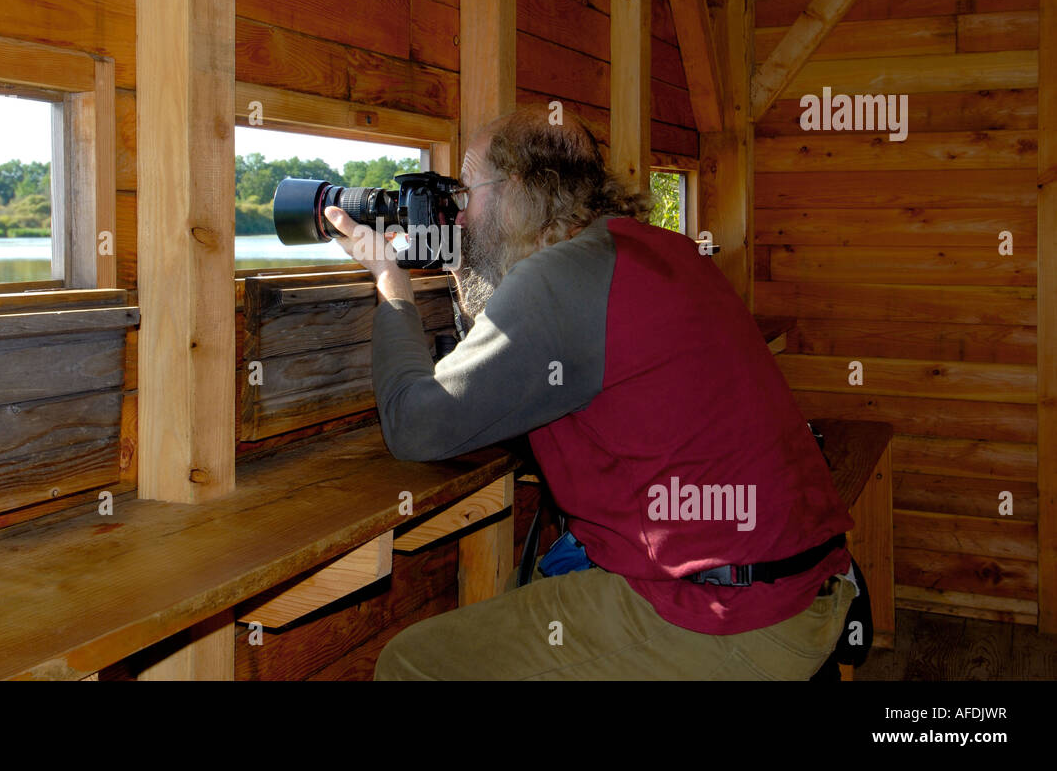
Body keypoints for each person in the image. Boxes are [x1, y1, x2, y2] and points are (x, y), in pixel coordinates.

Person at [321, 105, 857, 680]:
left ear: (517, 189)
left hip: (729, 619)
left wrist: (390, 283)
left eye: (467, 190)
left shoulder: (557, 277)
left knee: (413, 664)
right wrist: (469, 274)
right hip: (812, 582)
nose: (460, 212)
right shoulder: (657, 249)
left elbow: (414, 424)